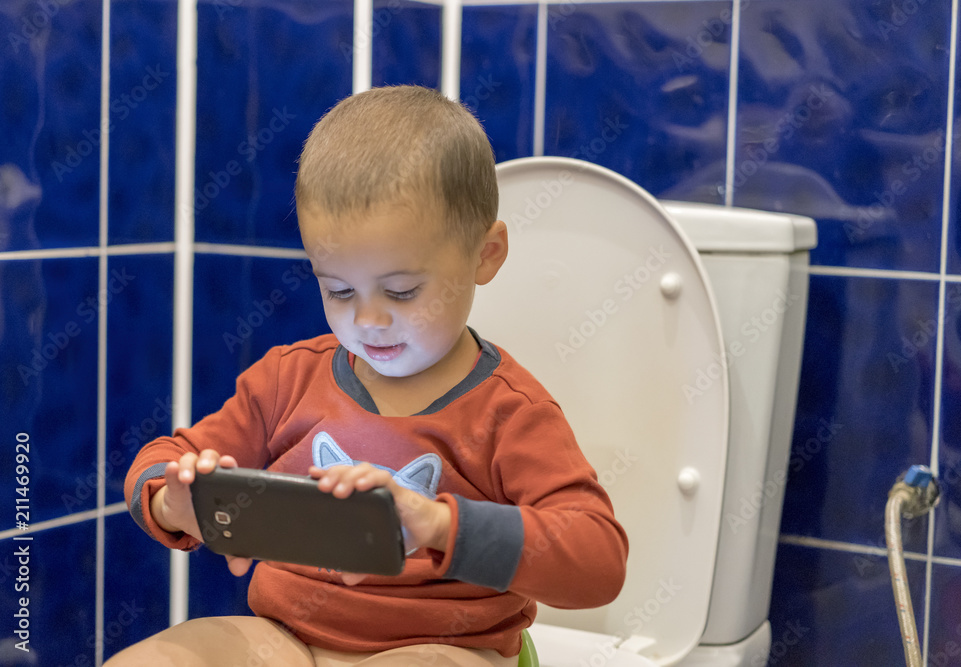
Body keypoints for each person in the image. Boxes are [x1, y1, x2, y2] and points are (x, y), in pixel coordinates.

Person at [109, 85, 628, 666]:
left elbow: (598, 561)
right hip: (289, 639)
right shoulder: (287, 381)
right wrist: (173, 504)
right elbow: (160, 459)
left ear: (486, 254)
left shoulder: (510, 414)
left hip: (448, 647)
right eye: (338, 290)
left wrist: (434, 524)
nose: (369, 320)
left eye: (402, 290)